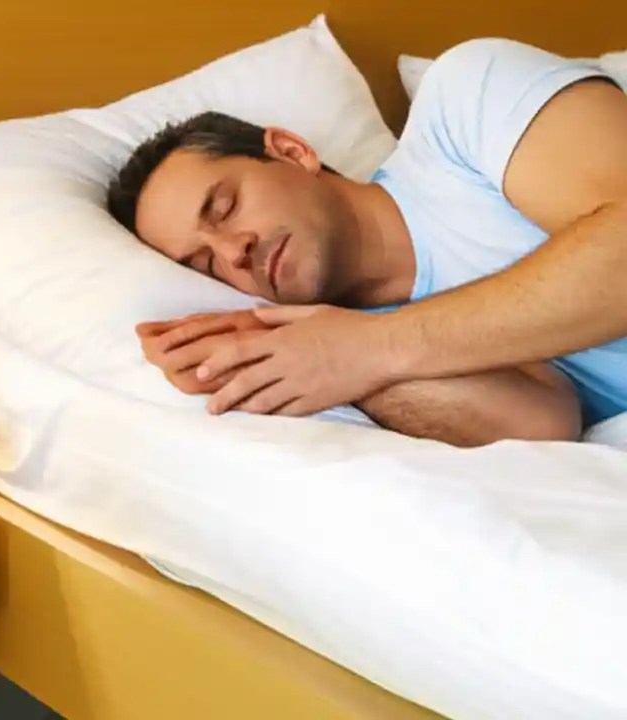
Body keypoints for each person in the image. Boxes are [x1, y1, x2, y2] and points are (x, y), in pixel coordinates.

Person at [106, 38, 627, 447]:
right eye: (205, 266)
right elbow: (541, 423)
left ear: (291, 151)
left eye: (224, 208)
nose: (232, 253)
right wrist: (338, 363)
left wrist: (373, 348)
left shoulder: (464, 102)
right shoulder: (342, 347)